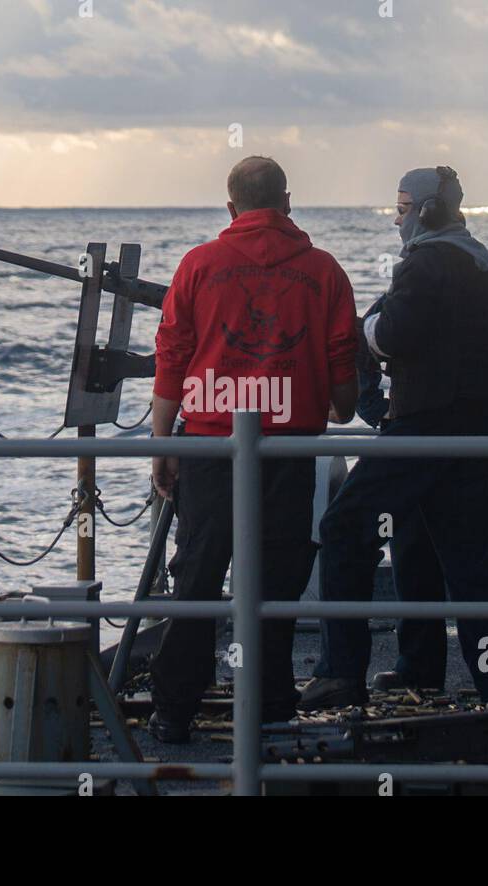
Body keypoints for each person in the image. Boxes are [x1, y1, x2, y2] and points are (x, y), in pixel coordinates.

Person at [300, 166, 488, 710]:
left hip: (421, 427)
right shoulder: (484, 263)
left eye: (403, 206)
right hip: (468, 435)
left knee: (343, 529)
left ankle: (341, 672)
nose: (397, 216)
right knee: (470, 562)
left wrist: (364, 331)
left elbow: (391, 334)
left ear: (427, 212)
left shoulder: (426, 263)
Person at [148, 156, 359, 743]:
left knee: (196, 576)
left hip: (211, 448)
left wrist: (162, 441)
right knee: (278, 577)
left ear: (231, 208)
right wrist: (339, 403)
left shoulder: (198, 265)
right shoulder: (324, 272)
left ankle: (173, 710)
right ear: (288, 203)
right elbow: (344, 364)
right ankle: (268, 702)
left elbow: (173, 355)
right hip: (288, 451)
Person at [353, 271, 488, 693]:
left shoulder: (428, 285)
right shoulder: (428, 286)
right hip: (434, 443)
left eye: (405, 208)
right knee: (422, 559)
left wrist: (377, 409)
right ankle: (432, 670)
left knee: (476, 563)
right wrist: (376, 409)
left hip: (443, 445)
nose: (399, 218)